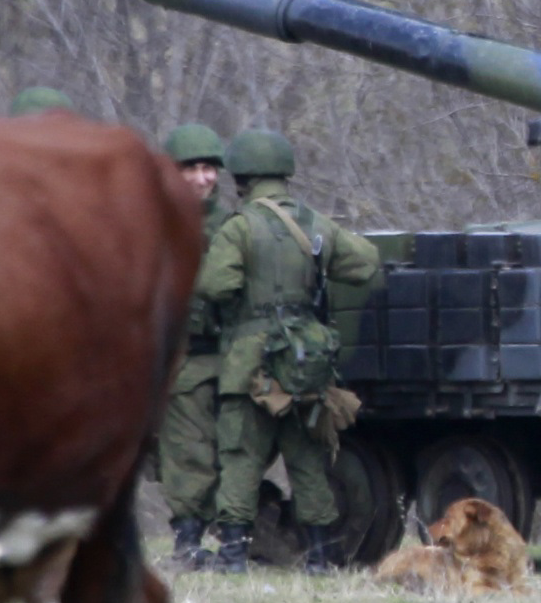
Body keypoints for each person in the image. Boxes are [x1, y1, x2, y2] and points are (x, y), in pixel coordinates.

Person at [193, 128, 378, 569]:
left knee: (241, 456)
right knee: (308, 459)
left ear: (243, 177)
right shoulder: (315, 225)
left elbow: (216, 284)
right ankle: (320, 555)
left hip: (251, 365)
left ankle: (234, 554)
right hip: (303, 364)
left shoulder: (239, 227)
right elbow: (366, 262)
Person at [153, 125, 235, 562]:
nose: (203, 178)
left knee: (232, 452)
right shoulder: (154, 225)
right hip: (181, 359)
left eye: (209, 169)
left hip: (229, 356)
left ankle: (234, 539)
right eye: (192, 169)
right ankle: (188, 542)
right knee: (185, 455)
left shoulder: (231, 226)